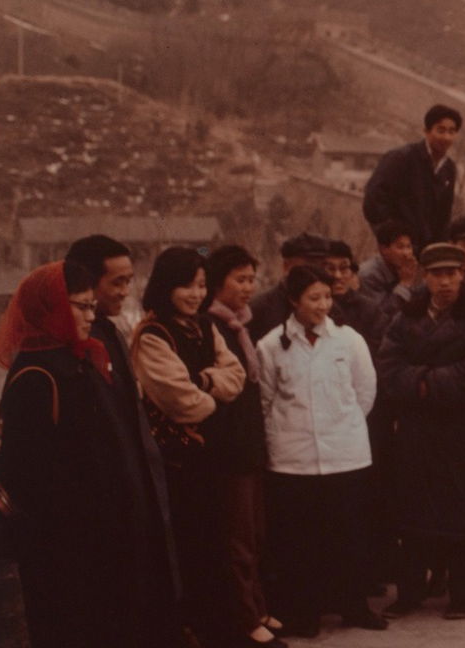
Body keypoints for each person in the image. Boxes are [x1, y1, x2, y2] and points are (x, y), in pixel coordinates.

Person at [0, 261, 178, 648]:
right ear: (51, 307)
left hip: (107, 539)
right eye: (81, 306)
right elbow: (31, 482)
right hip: (68, 550)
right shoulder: (35, 376)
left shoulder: (83, 360)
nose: (91, 316)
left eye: (93, 306)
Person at [256, 265, 385, 637]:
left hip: (346, 455)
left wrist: (340, 426)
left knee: (349, 536)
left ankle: (354, 606)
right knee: (300, 543)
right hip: (292, 459)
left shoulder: (349, 340)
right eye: (314, 298)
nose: (323, 304)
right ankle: (304, 613)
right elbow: (265, 401)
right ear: (294, 300)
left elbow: (365, 392)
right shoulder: (271, 345)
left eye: (328, 296)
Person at [377, 243, 465, 620]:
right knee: (413, 513)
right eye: (437, 274)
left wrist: (422, 381)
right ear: (424, 277)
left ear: (462, 275)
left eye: (452, 273)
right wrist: (430, 380)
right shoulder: (405, 318)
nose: (445, 282)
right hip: (417, 434)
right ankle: (411, 591)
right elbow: (388, 369)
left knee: (462, 513)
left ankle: (462, 593)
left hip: (464, 433)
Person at [131, 247, 248, 648]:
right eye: (187, 285)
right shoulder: (152, 335)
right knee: (191, 547)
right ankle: (199, 630)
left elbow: (237, 375)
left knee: (219, 542)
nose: (195, 294)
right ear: (166, 286)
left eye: (201, 285)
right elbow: (181, 401)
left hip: (210, 453)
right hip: (177, 461)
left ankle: (224, 628)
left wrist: (203, 382)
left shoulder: (205, 325)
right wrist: (212, 389)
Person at [203, 245, 282, 647]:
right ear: (218, 283)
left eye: (252, 279)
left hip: (249, 447)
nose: (249, 288)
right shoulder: (210, 327)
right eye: (240, 279)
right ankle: (246, 619)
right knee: (237, 541)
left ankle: (258, 607)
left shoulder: (239, 326)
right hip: (227, 451)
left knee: (255, 535)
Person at [363, 104, 462, 250]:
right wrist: (393, 239)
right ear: (426, 132)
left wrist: (438, 249)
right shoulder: (401, 158)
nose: (446, 137)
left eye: (452, 132)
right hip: (399, 248)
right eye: (440, 130)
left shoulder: (449, 169)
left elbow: (444, 216)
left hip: (427, 252)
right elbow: (373, 201)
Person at [248, 233, 331, 342]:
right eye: (308, 265)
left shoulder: (334, 307)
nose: (314, 273)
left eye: (320, 266)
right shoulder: (259, 311)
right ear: (286, 266)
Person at [325, 239, 386, 343]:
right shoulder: (312, 308)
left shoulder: (370, 310)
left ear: (352, 272)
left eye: (343, 268)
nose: (337, 276)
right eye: (330, 269)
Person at [358, 220, 419, 304]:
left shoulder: (409, 268)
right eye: (400, 247)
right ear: (383, 249)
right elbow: (381, 312)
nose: (406, 253)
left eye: (408, 247)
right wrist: (405, 283)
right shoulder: (368, 275)